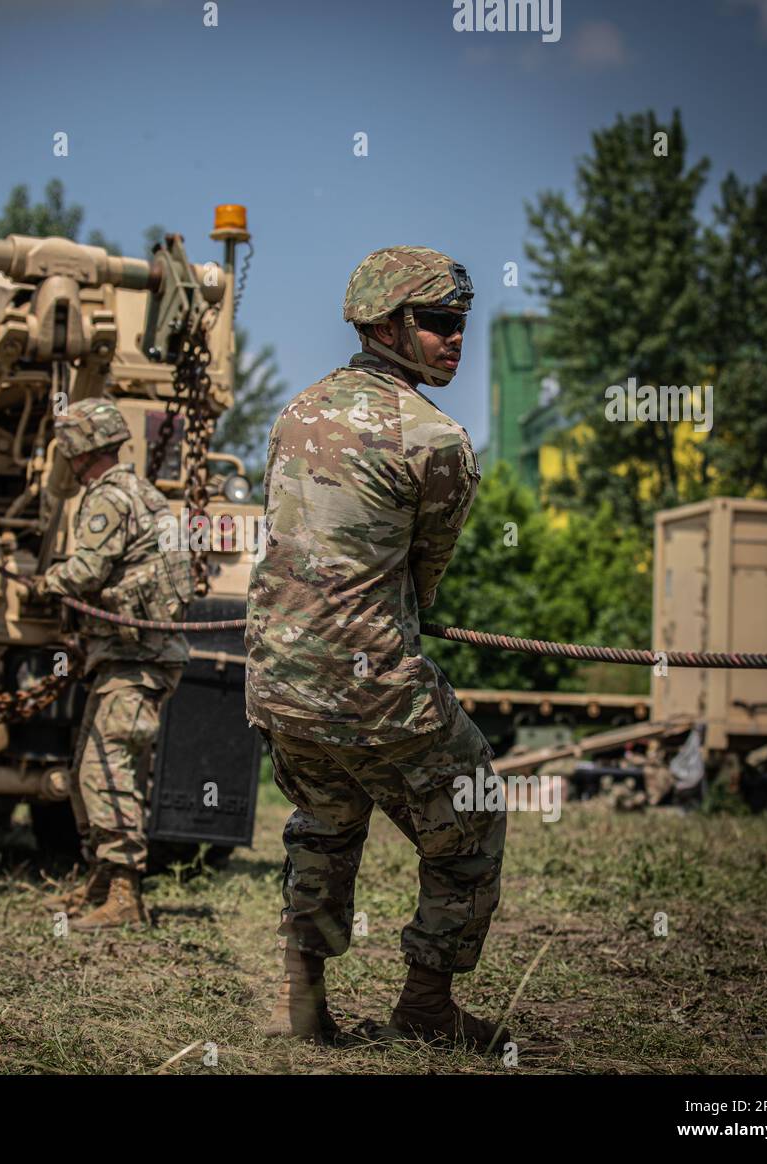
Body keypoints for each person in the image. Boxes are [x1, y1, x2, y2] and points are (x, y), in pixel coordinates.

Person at [245, 247, 509, 1051]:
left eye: (462, 324)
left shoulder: (295, 412)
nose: (455, 339)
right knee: (474, 811)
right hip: (370, 686)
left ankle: (301, 1004)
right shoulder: (438, 441)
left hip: (276, 682)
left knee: (324, 823)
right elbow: (422, 589)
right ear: (388, 325)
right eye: (438, 323)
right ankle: (427, 1005)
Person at [29, 397, 192, 930]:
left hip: (135, 659)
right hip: (129, 656)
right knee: (85, 772)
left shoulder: (108, 498)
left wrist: (43, 583)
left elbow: (86, 570)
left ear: (77, 451)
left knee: (108, 770)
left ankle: (124, 895)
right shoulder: (139, 492)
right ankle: (102, 879)